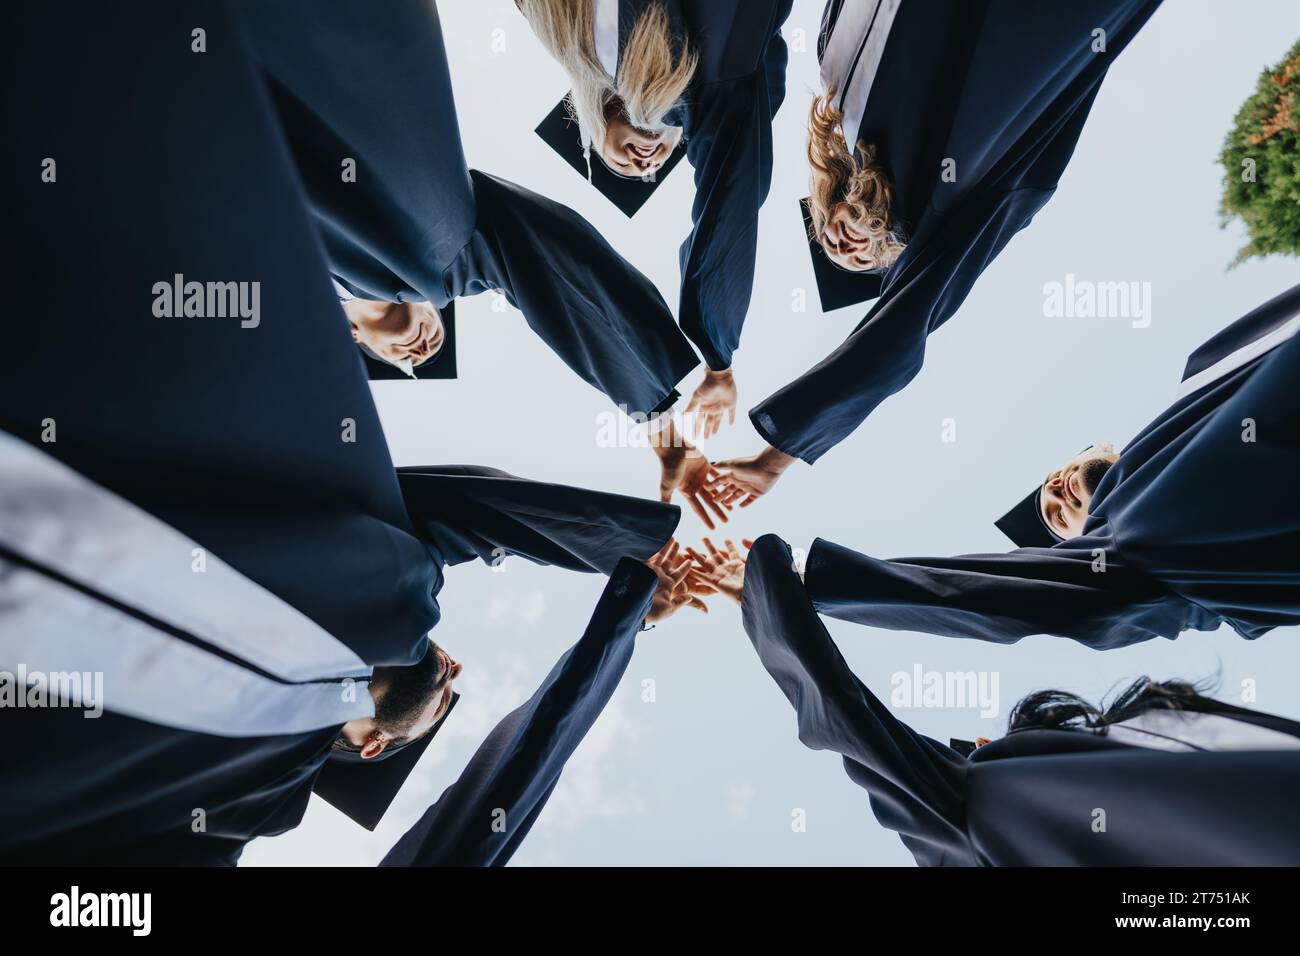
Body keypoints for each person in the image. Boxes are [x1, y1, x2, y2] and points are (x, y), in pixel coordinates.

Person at [711, 0, 1163, 502]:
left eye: (828, 240)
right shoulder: (955, 199)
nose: (846, 249)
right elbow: (902, 328)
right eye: (867, 260)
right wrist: (779, 455)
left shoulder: (831, 63)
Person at [693, 282, 1300, 652]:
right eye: (1062, 520)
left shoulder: (1213, 365)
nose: (1058, 489)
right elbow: (1031, 599)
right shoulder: (1193, 577)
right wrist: (796, 586)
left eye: (1054, 482)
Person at [694, 534, 1300, 865]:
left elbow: (851, 726)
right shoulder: (1007, 799)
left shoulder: (1000, 805)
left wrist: (782, 596)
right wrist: (786, 593)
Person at [518, 0, 794, 437]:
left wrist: (718, 361)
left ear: (591, 119)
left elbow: (727, 199)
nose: (645, 163)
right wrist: (716, 357)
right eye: (655, 168)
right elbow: (736, 167)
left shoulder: (568, 29)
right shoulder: (711, 83)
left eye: (621, 165)